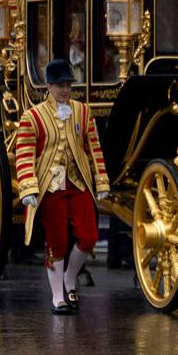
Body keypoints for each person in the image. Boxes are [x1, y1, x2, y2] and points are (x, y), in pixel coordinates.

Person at [14, 58, 110, 314]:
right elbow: (24, 154)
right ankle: (58, 295)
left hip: (78, 182)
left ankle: (70, 278)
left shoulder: (83, 112)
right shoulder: (32, 117)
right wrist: (29, 188)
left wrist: (101, 181)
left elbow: (94, 149)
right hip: (51, 185)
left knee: (89, 237)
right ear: (48, 86)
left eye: (68, 84)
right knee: (56, 241)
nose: (65, 90)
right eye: (59, 85)